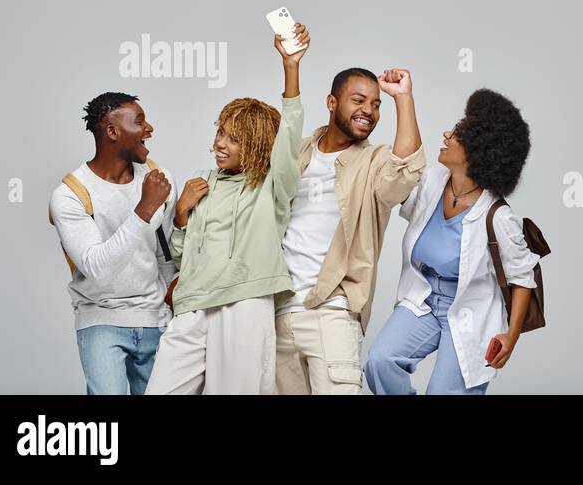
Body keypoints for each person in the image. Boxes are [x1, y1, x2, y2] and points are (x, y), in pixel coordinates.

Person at [145, 24, 310, 395]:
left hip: (244, 304)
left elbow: (288, 141)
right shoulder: (200, 182)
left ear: (255, 144)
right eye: (220, 131)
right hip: (192, 305)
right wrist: (182, 216)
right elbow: (183, 258)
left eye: (233, 138)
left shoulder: (272, 186)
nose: (220, 143)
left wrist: (291, 67)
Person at [364, 88, 535, 395]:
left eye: (456, 133)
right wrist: (404, 99)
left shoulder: (497, 217)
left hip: (470, 310)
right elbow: (406, 167)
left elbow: (522, 279)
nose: (446, 134)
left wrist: (511, 335)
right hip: (425, 298)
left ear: (477, 151)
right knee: (380, 361)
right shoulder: (432, 181)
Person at [272, 65, 425, 395]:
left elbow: (406, 171)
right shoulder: (298, 151)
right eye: (359, 100)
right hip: (279, 314)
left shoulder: (374, 162)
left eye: (375, 104)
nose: (368, 111)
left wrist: (402, 98)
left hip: (332, 313)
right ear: (331, 102)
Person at [49, 92, 176, 395]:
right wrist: (144, 208)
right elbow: (97, 268)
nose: (150, 129)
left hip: (156, 320)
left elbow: (164, 253)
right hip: (100, 323)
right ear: (112, 132)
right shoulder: (70, 195)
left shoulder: (158, 179)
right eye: (140, 121)